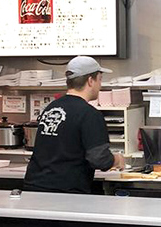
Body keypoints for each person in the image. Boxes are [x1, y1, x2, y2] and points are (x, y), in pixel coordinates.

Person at [24, 55, 124, 195]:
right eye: (100, 80)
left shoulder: (51, 108)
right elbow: (99, 159)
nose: (100, 85)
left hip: (34, 189)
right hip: (66, 194)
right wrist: (117, 159)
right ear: (90, 81)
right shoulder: (89, 114)